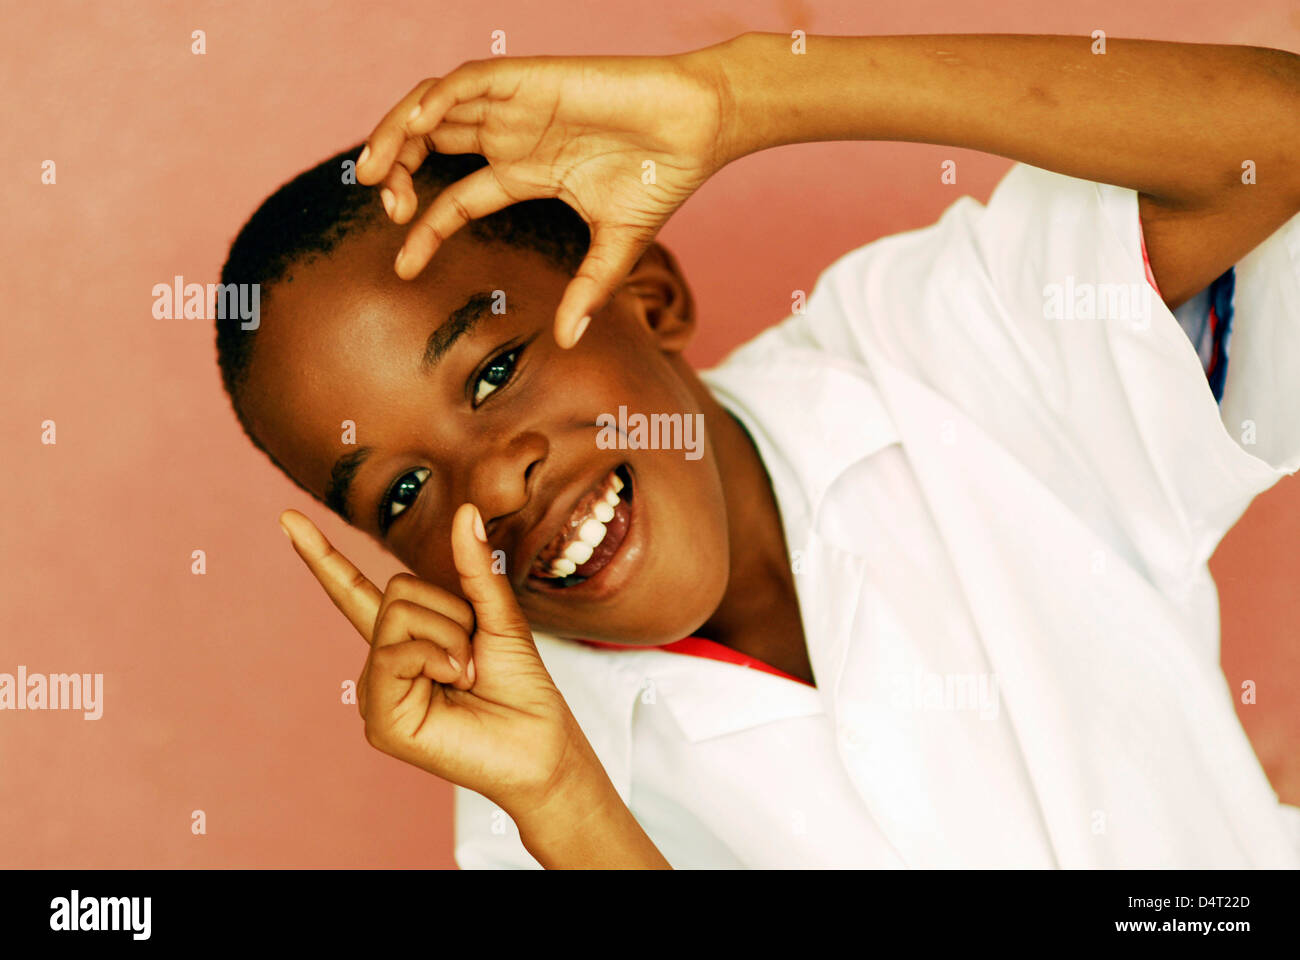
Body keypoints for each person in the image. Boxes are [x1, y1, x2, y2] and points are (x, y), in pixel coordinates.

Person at [216, 32, 1300, 867]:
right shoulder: (524, 793)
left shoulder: (930, 351)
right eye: (402, 489)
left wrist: (748, 95)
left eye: (495, 371)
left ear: (648, 296)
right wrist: (566, 809)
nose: (491, 482)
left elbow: (1279, 134)